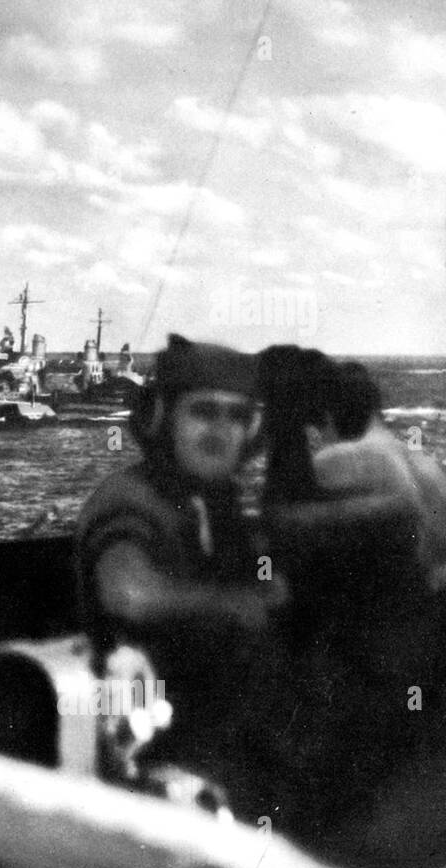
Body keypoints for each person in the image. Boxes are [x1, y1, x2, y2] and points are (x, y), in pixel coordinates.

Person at [258, 352, 446, 868]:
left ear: (324, 418)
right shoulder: (423, 461)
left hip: (393, 659)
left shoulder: (345, 460)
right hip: (442, 659)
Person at [74, 334, 290, 816]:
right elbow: (128, 592)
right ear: (160, 419)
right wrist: (233, 601)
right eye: (203, 412)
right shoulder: (130, 496)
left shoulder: (217, 503)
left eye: (237, 416)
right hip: (142, 748)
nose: (221, 430)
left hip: (221, 729)